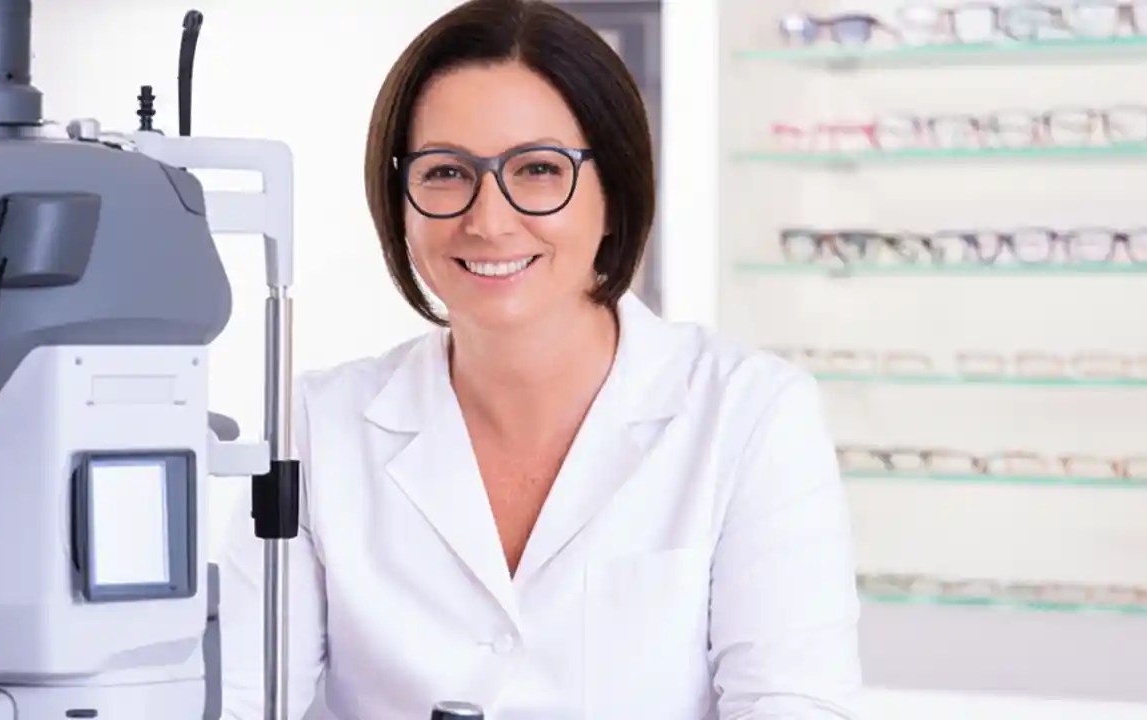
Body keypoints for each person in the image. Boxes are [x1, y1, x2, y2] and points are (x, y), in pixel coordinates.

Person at [219, 0, 862, 717]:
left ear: (614, 193)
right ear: (397, 198)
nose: (488, 220)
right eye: (444, 173)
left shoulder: (748, 413)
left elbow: (792, 701)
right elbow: (241, 696)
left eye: (537, 170)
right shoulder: (316, 427)